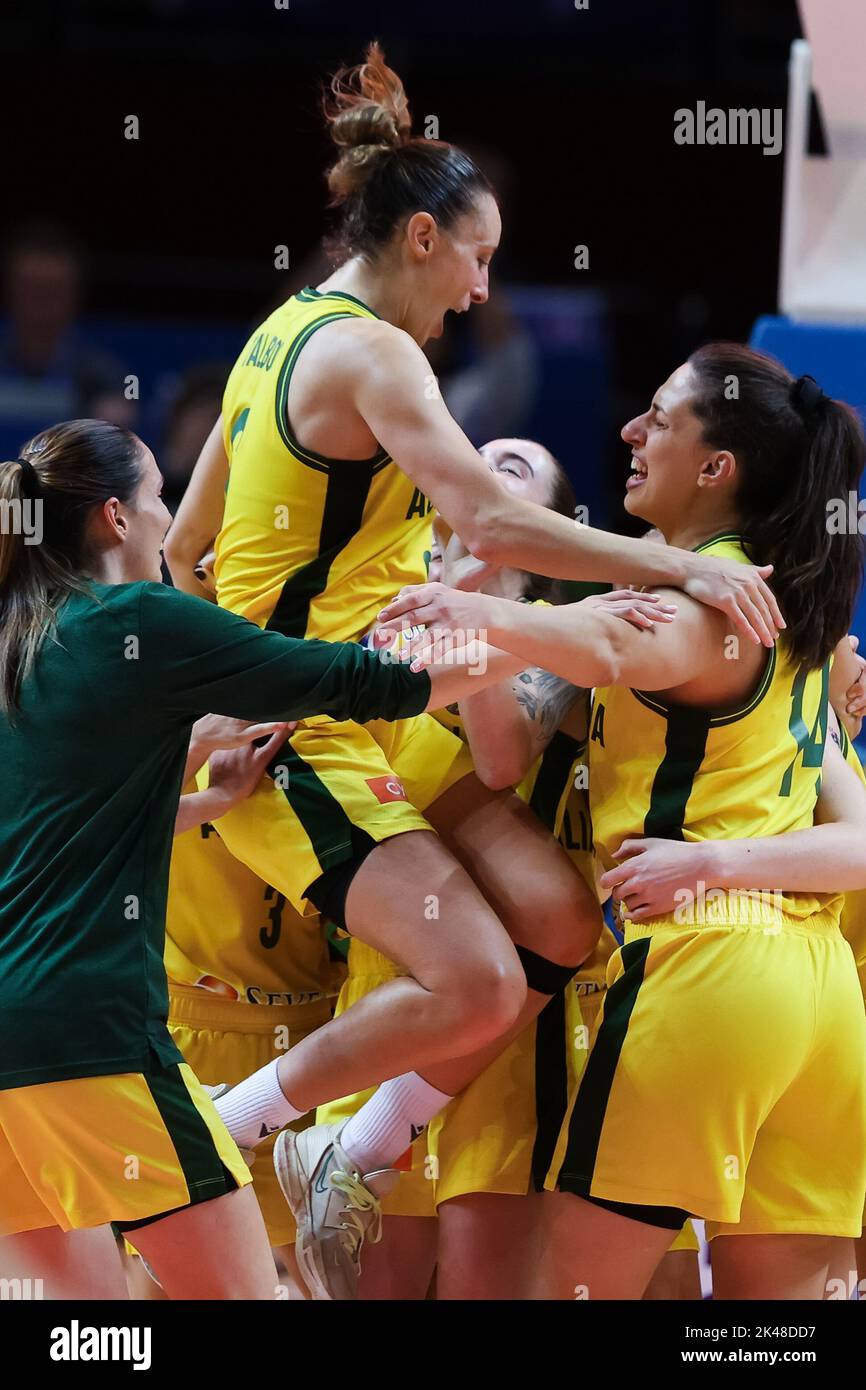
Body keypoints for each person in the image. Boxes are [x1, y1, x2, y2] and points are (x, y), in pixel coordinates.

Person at [163, 44, 781, 1300]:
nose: (484, 289)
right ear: (427, 236)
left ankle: (347, 1135)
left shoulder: (275, 337)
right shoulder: (378, 356)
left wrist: (214, 670)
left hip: (390, 710)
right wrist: (673, 570)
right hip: (322, 725)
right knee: (484, 979)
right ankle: (240, 1135)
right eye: (482, 258)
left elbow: (183, 548)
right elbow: (488, 527)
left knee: (557, 915)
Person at [379, 345, 866, 1300]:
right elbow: (522, 727)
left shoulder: (706, 595)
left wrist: (468, 610)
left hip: (703, 980)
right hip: (814, 997)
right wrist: (483, 612)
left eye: (658, 417)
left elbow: (607, 640)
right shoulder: (792, 615)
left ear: (715, 468)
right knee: (777, 1330)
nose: (630, 433)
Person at [0, 418, 523, 1301]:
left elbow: (52, 820)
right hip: (90, 1031)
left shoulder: (17, 641)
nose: (173, 519)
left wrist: (205, 802)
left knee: (85, 1338)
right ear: (116, 520)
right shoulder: (138, 620)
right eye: (160, 497)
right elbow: (357, 682)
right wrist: (546, 630)